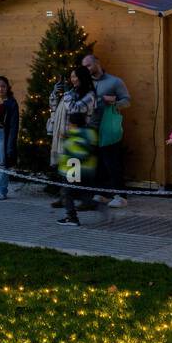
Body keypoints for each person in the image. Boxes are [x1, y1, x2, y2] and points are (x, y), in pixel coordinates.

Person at [81, 54, 131, 208]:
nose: (86, 69)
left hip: (108, 129)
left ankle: (121, 196)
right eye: (84, 67)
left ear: (97, 63)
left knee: (112, 162)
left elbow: (127, 101)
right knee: (96, 162)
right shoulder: (84, 83)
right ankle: (101, 193)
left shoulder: (114, 81)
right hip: (90, 128)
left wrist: (114, 102)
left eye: (88, 65)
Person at [49, 66, 98, 209]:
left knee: (77, 172)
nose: (72, 80)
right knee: (68, 170)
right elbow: (58, 107)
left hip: (80, 136)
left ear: (82, 78)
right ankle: (65, 196)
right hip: (67, 135)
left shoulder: (90, 95)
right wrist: (55, 94)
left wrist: (66, 95)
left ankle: (84, 200)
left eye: (75, 76)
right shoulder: (71, 93)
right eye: (71, 77)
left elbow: (74, 109)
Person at [56, 108, 99, 227]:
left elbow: (77, 153)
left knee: (66, 193)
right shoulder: (89, 133)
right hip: (88, 171)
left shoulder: (75, 138)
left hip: (73, 170)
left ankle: (72, 217)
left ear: (73, 124)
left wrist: (67, 141)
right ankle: (94, 203)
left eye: (69, 124)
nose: (68, 126)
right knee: (82, 192)